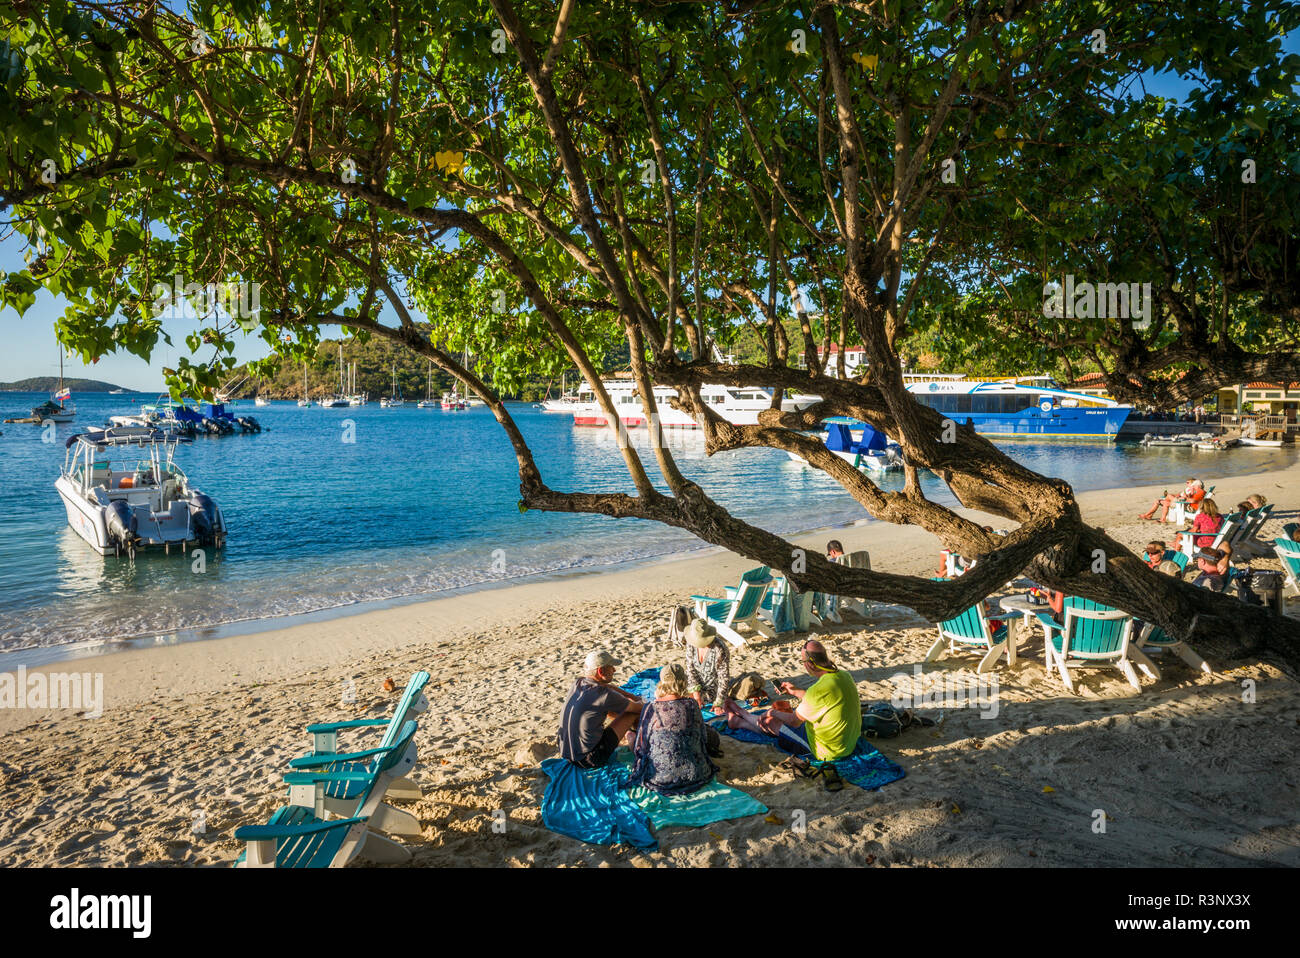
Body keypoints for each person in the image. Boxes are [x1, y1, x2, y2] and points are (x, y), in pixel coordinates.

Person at [721, 640, 861, 761]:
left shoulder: (817, 691)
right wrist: (795, 692)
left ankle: (740, 719)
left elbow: (795, 721)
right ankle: (742, 716)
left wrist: (772, 712)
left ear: (810, 664)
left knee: (771, 721)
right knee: (782, 716)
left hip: (825, 750)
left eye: (803, 662)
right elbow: (824, 700)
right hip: (847, 744)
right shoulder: (844, 675)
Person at [624, 664, 718, 795]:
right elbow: (703, 738)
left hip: (658, 778)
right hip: (697, 773)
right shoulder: (692, 704)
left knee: (631, 735)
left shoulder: (651, 707)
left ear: (662, 682)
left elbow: (642, 746)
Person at [557, 650, 644, 769]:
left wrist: (632, 696)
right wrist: (640, 701)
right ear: (601, 671)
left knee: (607, 709)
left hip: (566, 753)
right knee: (631, 713)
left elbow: (607, 686)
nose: (614, 670)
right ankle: (636, 738)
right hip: (590, 759)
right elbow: (639, 708)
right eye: (611, 667)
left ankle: (630, 732)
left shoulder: (578, 682)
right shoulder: (604, 695)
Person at [683, 620, 731, 710]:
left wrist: (719, 702)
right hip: (693, 684)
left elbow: (723, 677)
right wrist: (696, 694)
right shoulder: (691, 643)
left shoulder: (719, 648)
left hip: (711, 688)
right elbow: (690, 669)